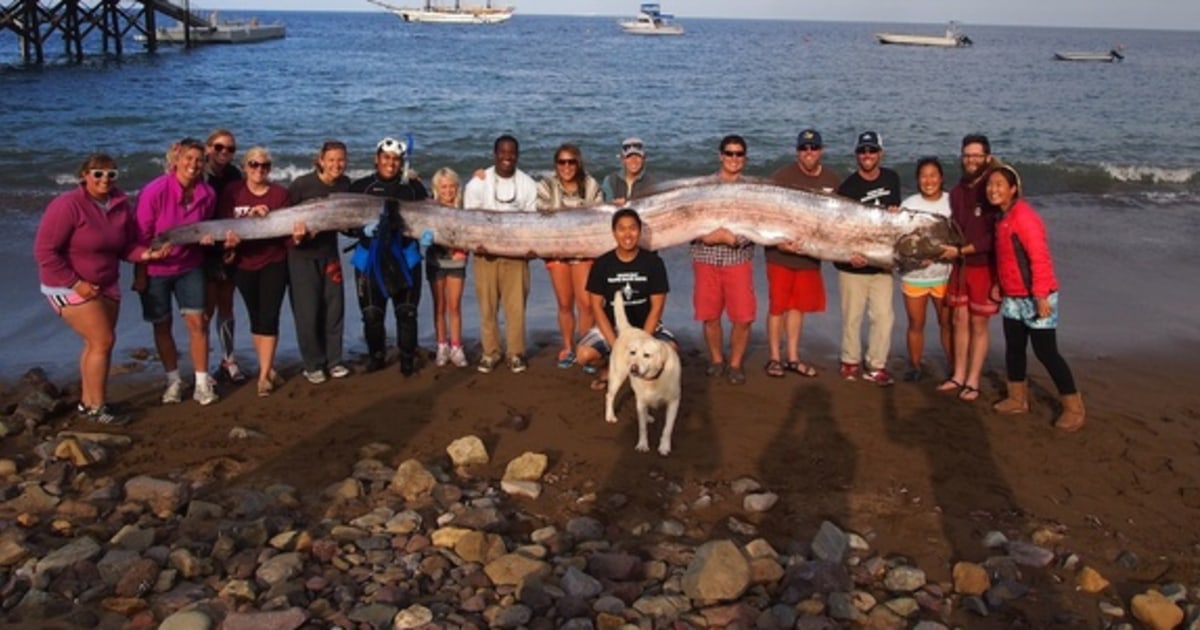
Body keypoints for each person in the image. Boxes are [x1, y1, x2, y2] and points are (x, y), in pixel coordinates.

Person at [34, 154, 170, 424]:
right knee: (103, 341)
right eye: (98, 174)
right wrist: (76, 284)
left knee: (95, 343)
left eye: (111, 175)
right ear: (84, 176)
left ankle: (88, 403)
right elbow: (45, 252)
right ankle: (97, 408)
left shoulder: (119, 205)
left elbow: (125, 247)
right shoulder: (67, 205)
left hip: (106, 284)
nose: (104, 179)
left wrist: (148, 256)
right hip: (67, 284)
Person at [989, 165, 1084, 432]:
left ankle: (1074, 408)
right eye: (990, 185)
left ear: (1013, 189)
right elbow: (1006, 258)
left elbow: (1039, 259)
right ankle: (1017, 399)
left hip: (1038, 296)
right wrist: (999, 284)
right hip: (1013, 296)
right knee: (1014, 349)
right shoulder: (1002, 217)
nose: (993, 189)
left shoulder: (1024, 218)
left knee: (1046, 352)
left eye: (999, 185)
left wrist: (1041, 295)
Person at [134, 138, 222, 406]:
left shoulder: (207, 194)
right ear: (177, 160)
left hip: (189, 265)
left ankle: (201, 382)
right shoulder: (154, 191)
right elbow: (140, 236)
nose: (194, 165)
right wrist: (141, 272)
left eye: (199, 160)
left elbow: (204, 229)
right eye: (189, 159)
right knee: (162, 325)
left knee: (198, 323)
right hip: (155, 267)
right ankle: (173, 380)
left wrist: (207, 239)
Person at [348, 137, 429, 375]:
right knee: (372, 314)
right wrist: (359, 230)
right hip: (369, 258)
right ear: (377, 159)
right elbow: (343, 223)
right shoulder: (361, 187)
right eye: (386, 158)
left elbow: (428, 219)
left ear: (401, 162)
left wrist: (428, 235)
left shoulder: (413, 187)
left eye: (395, 159)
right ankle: (377, 356)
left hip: (406, 257)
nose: (391, 163)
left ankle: (407, 359)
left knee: (407, 312)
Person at [764, 128, 840, 378]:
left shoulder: (832, 180)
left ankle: (793, 357)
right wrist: (778, 243)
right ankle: (775, 358)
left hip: (809, 257)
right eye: (804, 148)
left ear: (822, 150)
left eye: (814, 148)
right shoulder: (782, 176)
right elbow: (765, 214)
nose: (809, 152)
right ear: (797, 151)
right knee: (778, 307)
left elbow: (841, 221)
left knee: (798, 308)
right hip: (780, 255)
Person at [217, 147, 290, 397]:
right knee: (256, 316)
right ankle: (266, 368)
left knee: (270, 316)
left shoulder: (280, 194)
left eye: (265, 165)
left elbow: (287, 234)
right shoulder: (232, 192)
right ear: (245, 166)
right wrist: (229, 242)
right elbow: (224, 222)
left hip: (274, 261)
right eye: (254, 164)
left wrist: (299, 237)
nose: (260, 169)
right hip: (243, 263)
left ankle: (263, 376)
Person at [462, 134, 538, 374]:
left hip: (517, 255)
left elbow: (532, 221)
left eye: (512, 152)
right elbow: (470, 218)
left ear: (517, 155)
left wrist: (529, 248)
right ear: (495, 154)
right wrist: (477, 243)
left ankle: (516, 353)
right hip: (485, 254)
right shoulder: (478, 183)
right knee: (487, 306)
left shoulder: (527, 184)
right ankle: (490, 352)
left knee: (515, 307)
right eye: (503, 152)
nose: (507, 157)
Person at [577, 208, 674, 389]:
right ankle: (608, 367)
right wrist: (617, 347)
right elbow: (596, 307)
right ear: (614, 232)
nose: (627, 234)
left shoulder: (654, 263)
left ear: (640, 231)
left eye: (632, 228)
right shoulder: (602, 264)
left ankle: (642, 371)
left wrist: (643, 342)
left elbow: (657, 307)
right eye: (621, 229)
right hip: (613, 328)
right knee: (584, 355)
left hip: (646, 327)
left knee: (671, 353)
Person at [835, 130, 902, 386]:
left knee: (884, 317)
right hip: (852, 264)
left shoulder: (892, 178)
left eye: (872, 150)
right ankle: (849, 361)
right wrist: (850, 255)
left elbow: (891, 222)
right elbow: (840, 228)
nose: (867, 155)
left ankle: (876, 365)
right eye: (863, 151)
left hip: (881, 264)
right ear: (856, 155)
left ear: (880, 153)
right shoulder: (848, 187)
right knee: (852, 316)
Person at [938, 134, 1000, 401]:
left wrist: (962, 251)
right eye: (967, 155)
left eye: (976, 155)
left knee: (978, 324)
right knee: (957, 320)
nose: (971, 160)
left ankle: (973, 380)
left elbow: (993, 236)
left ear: (987, 157)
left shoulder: (993, 187)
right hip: (960, 265)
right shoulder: (957, 191)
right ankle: (958, 374)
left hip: (984, 266)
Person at [692, 134, 756, 385]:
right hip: (705, 257)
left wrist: (735, 240)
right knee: (709, 316)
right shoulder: (702, 187)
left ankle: (736, 364)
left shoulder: (753, 189)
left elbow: (759, 222)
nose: (733, 158)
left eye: (739, 154)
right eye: (729, 153)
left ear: (745, 158)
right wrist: (705, 237)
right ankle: (717, 360)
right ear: (721, 156)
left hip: (738, 258)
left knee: (743, 317)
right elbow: (687, 219)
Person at [288, 140, 352, 384]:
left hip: (330, 254)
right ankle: (313, 364)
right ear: (321, 161)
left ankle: (334, 361)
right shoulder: (301, 186)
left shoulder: (345, 185)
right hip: (302, 257)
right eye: (332, 159)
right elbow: (282, 220)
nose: (337, 165)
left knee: (334, 309)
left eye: (341, 160)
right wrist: (297, 237)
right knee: (308, 312)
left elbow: (349, 219)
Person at [537, 143, 603, 369]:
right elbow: (540, 217)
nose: (566, 167)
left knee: (586, 304)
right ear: (556, 165)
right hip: (557, 251)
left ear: (578, 163)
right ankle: (567, 346)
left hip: (583, 251)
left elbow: (599, 217)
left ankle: (585, 347)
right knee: (565, 303)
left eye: (571, 162)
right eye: (562, 162)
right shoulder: (546, 185)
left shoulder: (591, 185)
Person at [899, 157, 953, 382]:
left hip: (945, 276)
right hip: (914, 276)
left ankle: (954, 366)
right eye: (923, 176)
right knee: (916, 323)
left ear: (941, 178)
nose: (928, 180)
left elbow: (959, 237)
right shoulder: (908, 204)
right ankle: (914, 365)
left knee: (947, 323)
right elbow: (900, 241)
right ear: (917, 179)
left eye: (933, 175)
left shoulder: (953, 202)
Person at [202, 129, 246, 384]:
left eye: (229, 149)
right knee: (206, 308)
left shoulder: (233, 175)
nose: (224, 153)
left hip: (227, 243)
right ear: (208, 148)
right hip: (203, 246)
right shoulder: (199, 173)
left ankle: (228, 359)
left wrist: (232, 246)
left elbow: (237, 210)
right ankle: (204, 366)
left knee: (226, 304)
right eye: (219, 147)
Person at [425, 168, 470, 368]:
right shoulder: (429, 207)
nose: (448, 190)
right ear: (436, 188)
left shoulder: (463, 208)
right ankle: (441, 345)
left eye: (452, 186)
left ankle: (456, 346)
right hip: (435, 260)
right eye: (444, 186)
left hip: (457, 261)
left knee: (454, 306)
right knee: (439, 306)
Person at [601, 137, 658, 205]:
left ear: (643, 159)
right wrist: (612, 204)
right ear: (623, 160)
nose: (633, 161)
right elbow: (603, 207)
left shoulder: (652, 183)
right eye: (629, 157)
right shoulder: (610, 181)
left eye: (638, 156)